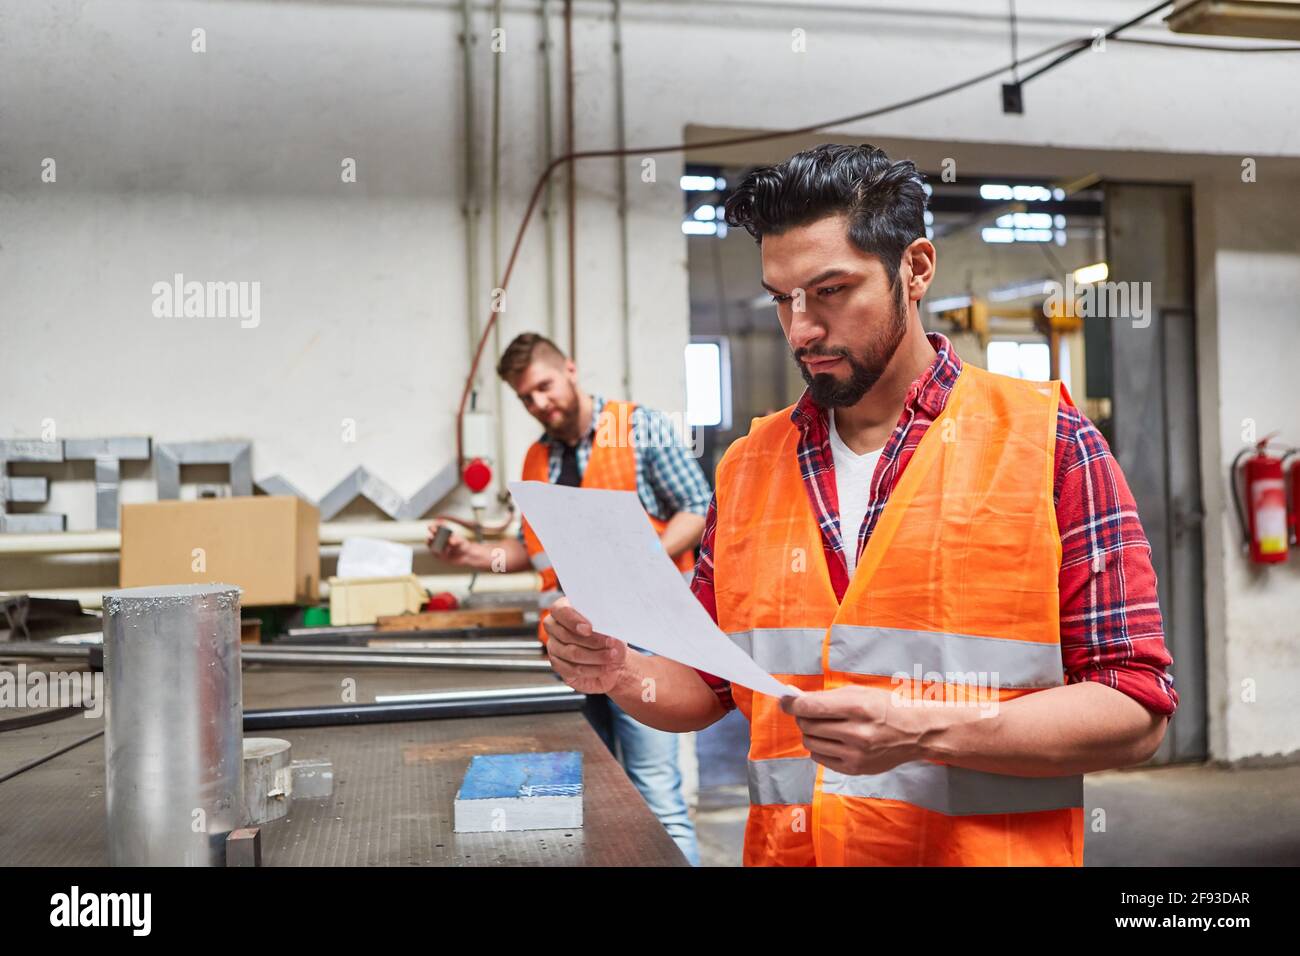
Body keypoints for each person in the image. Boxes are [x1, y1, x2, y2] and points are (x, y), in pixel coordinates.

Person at [540, 143, 1179, 866]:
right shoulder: (750, 466)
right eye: (783, 297)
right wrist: (620, 671)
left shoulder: (1049, 441)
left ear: (915, 268)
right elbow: (708, 686)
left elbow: (1134, 708)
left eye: (832, 290)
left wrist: (925, 731)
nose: (802, 328)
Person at [428, 332, 709, 865]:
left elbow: (698, 508)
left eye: (544, 387)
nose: (539, 403)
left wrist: (638, 559)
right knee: (594, 795)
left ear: (571, 371)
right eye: (526, 398)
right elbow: (535, 550)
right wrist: (472, 555)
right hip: (573, 648)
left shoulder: (639, 428)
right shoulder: (537, 458)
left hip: (647, 637)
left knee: (657, 792)